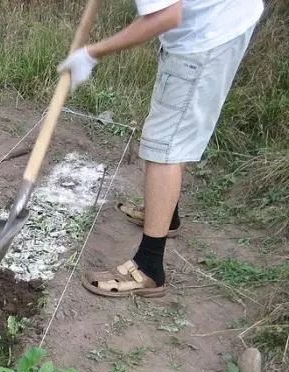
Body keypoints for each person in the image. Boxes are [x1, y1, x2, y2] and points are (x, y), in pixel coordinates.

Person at [57, 0, 264, 297]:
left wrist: (93, 52)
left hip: (205, 36)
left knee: (164, 147)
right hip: (223, 19)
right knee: (174, 131)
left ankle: (148, 267)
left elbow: (165, 16)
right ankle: (167, 215)